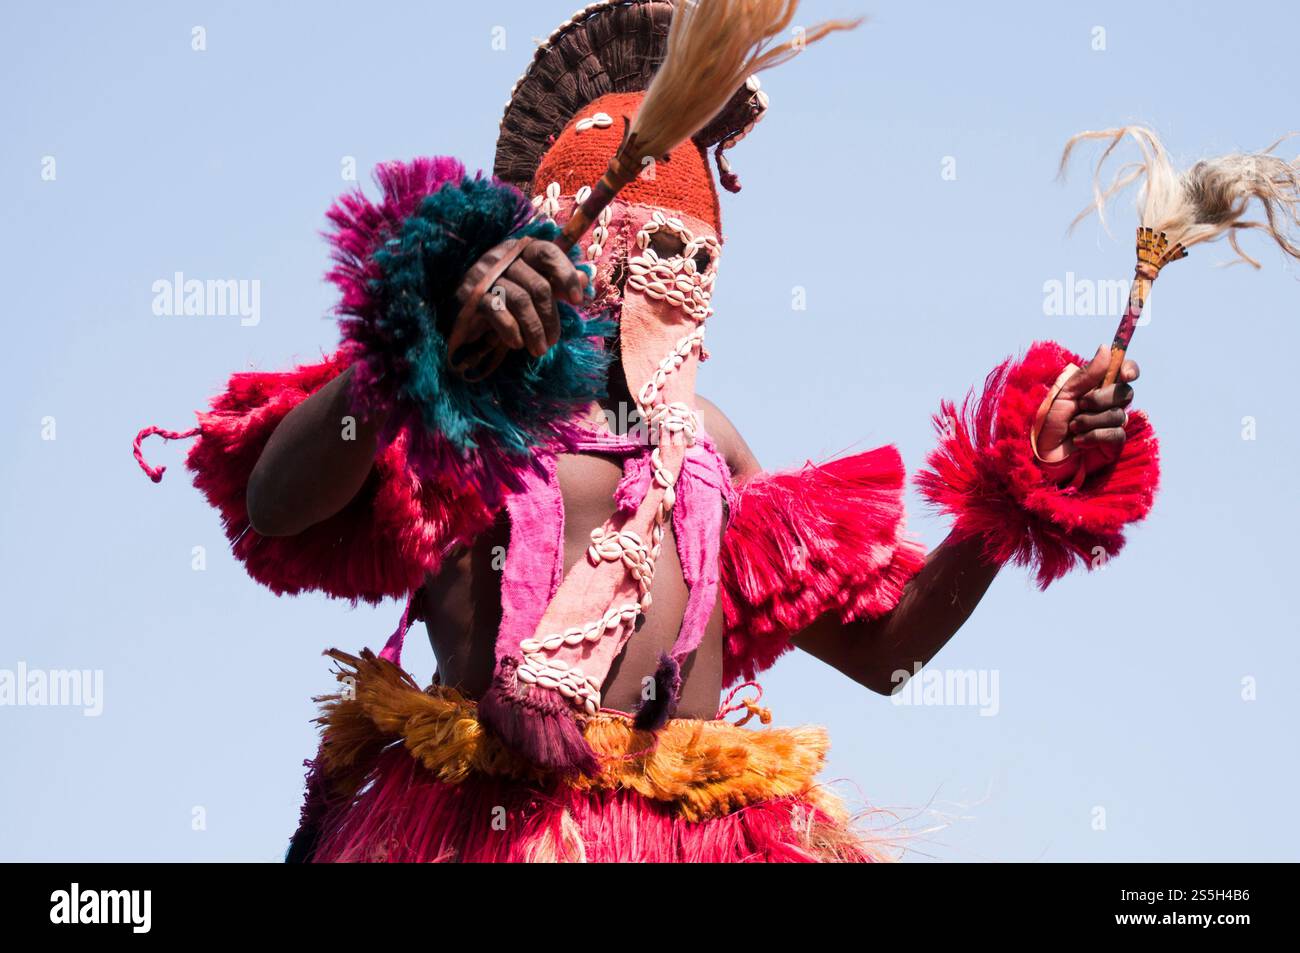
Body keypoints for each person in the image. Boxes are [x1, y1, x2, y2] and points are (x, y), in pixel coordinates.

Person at [136, 0, 1158, 862]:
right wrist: (416, 348)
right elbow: (277, 503)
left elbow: (886, 654)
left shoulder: (707, 444)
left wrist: (1028, 472)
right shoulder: (463, 397)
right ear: (562, 238)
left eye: (693, 254)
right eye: (640, 243)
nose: (663, 280)